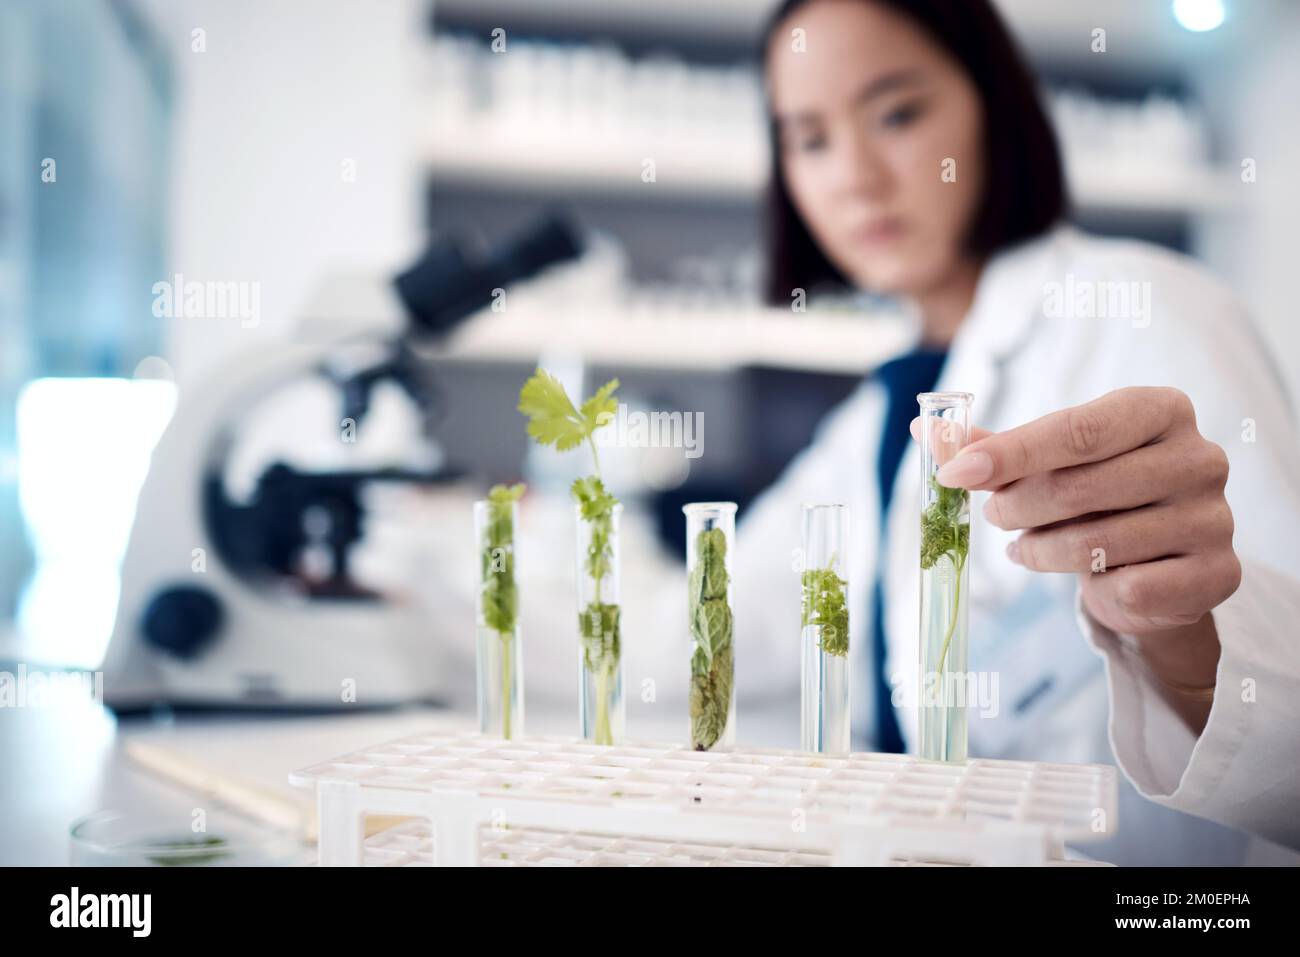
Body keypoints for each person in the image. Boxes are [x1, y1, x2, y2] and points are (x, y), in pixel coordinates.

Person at [721, 0, 1300, 865]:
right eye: (809, 137)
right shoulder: (873, 418)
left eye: (897, 113)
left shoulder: (1150, 309)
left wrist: (1188, 642)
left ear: (994, 106)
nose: (854, 176)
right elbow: (717, 622)